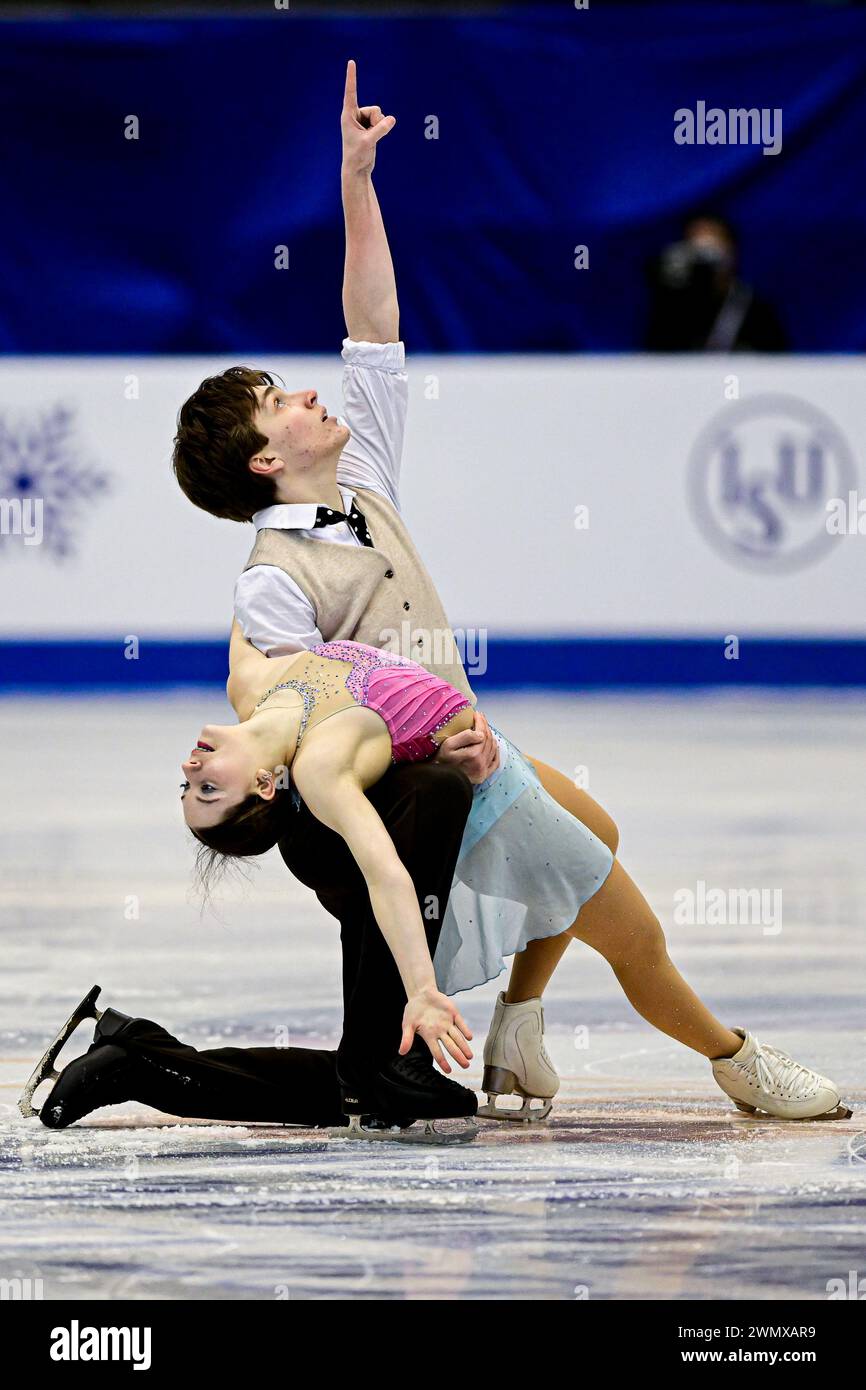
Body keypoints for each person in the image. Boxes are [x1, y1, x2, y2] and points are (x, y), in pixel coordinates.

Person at [179, 626, 851, 1126]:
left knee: (605, 832)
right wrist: (420, 989)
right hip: (498, 812)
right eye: (207, 791)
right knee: (639, 944)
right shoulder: (321, 767)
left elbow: (262, 576)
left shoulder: (255, 685)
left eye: (190, 785)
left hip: (500, 754)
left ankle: (519, 1030)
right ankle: (737, 1062)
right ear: (268, 787)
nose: (190, 770)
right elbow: (387, 874)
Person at [645, 213, 788, 352]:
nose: (705, 253)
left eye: (714, 246)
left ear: (732, 251)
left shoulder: (754, 308)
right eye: (696, 246)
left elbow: (777, 363)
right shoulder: (671, 308)